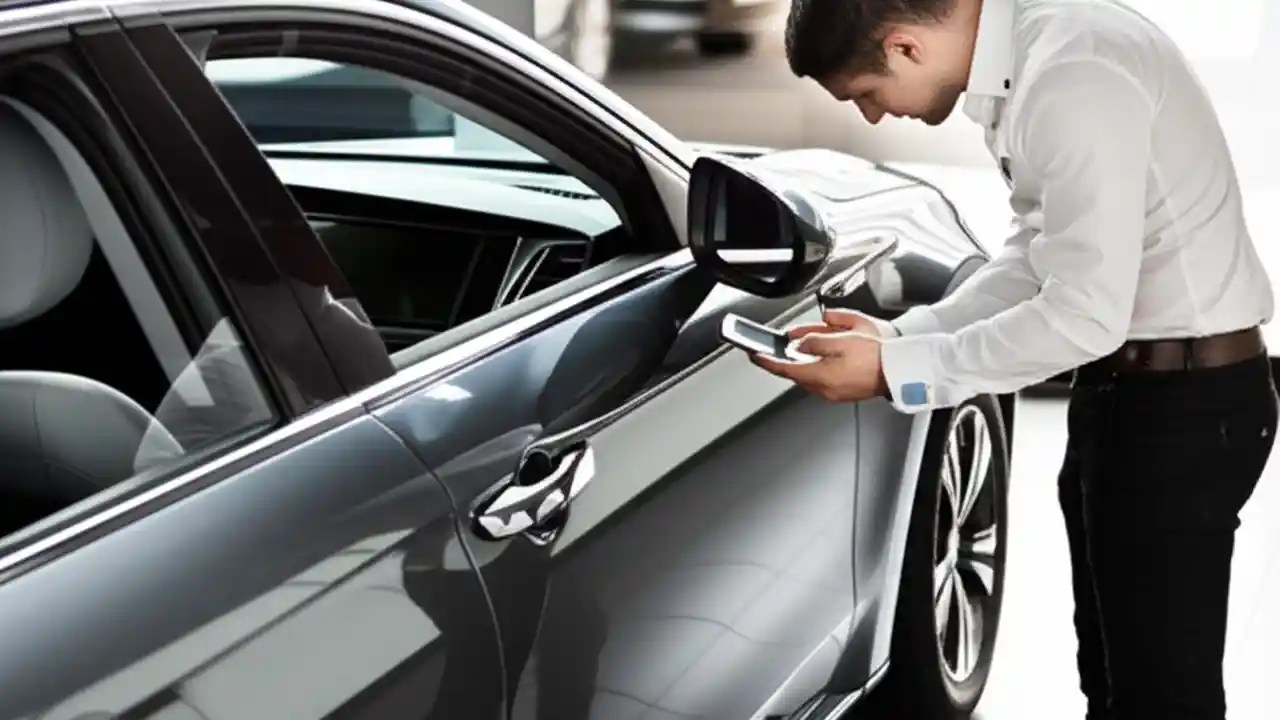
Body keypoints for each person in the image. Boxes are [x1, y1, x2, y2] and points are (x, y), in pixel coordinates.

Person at [756, 0, 1279, 718]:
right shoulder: (1037, 57)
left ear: (905, 48)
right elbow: (1041, 251)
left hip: (1183, 406)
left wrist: (894, 372)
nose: (875, 119)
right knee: (1112, 677)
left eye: (867, 97)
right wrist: (905, 338)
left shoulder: (1070, 73)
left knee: (1162, 699)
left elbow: (1082, 314)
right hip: (1142, 393)